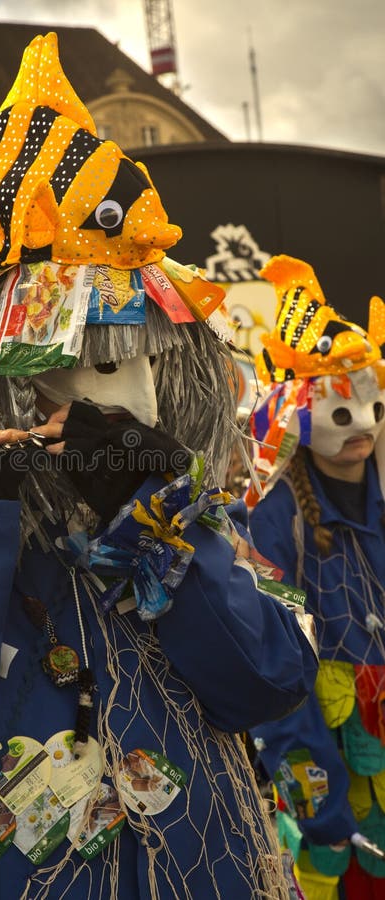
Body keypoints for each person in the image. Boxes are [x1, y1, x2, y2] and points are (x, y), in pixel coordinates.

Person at [0, 34, 317, 900]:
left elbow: (269, 683)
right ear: (7, 378)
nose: (141, 400)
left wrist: (155, 512)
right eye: (104, 365)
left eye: (153, 364)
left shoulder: (193, 510)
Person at [247, 254, 385, 900]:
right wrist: (322, 811)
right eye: (340, 408)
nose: (364, 424)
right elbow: (280, 678)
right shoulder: (274, 522)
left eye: (373, 402)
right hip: (336, 772)